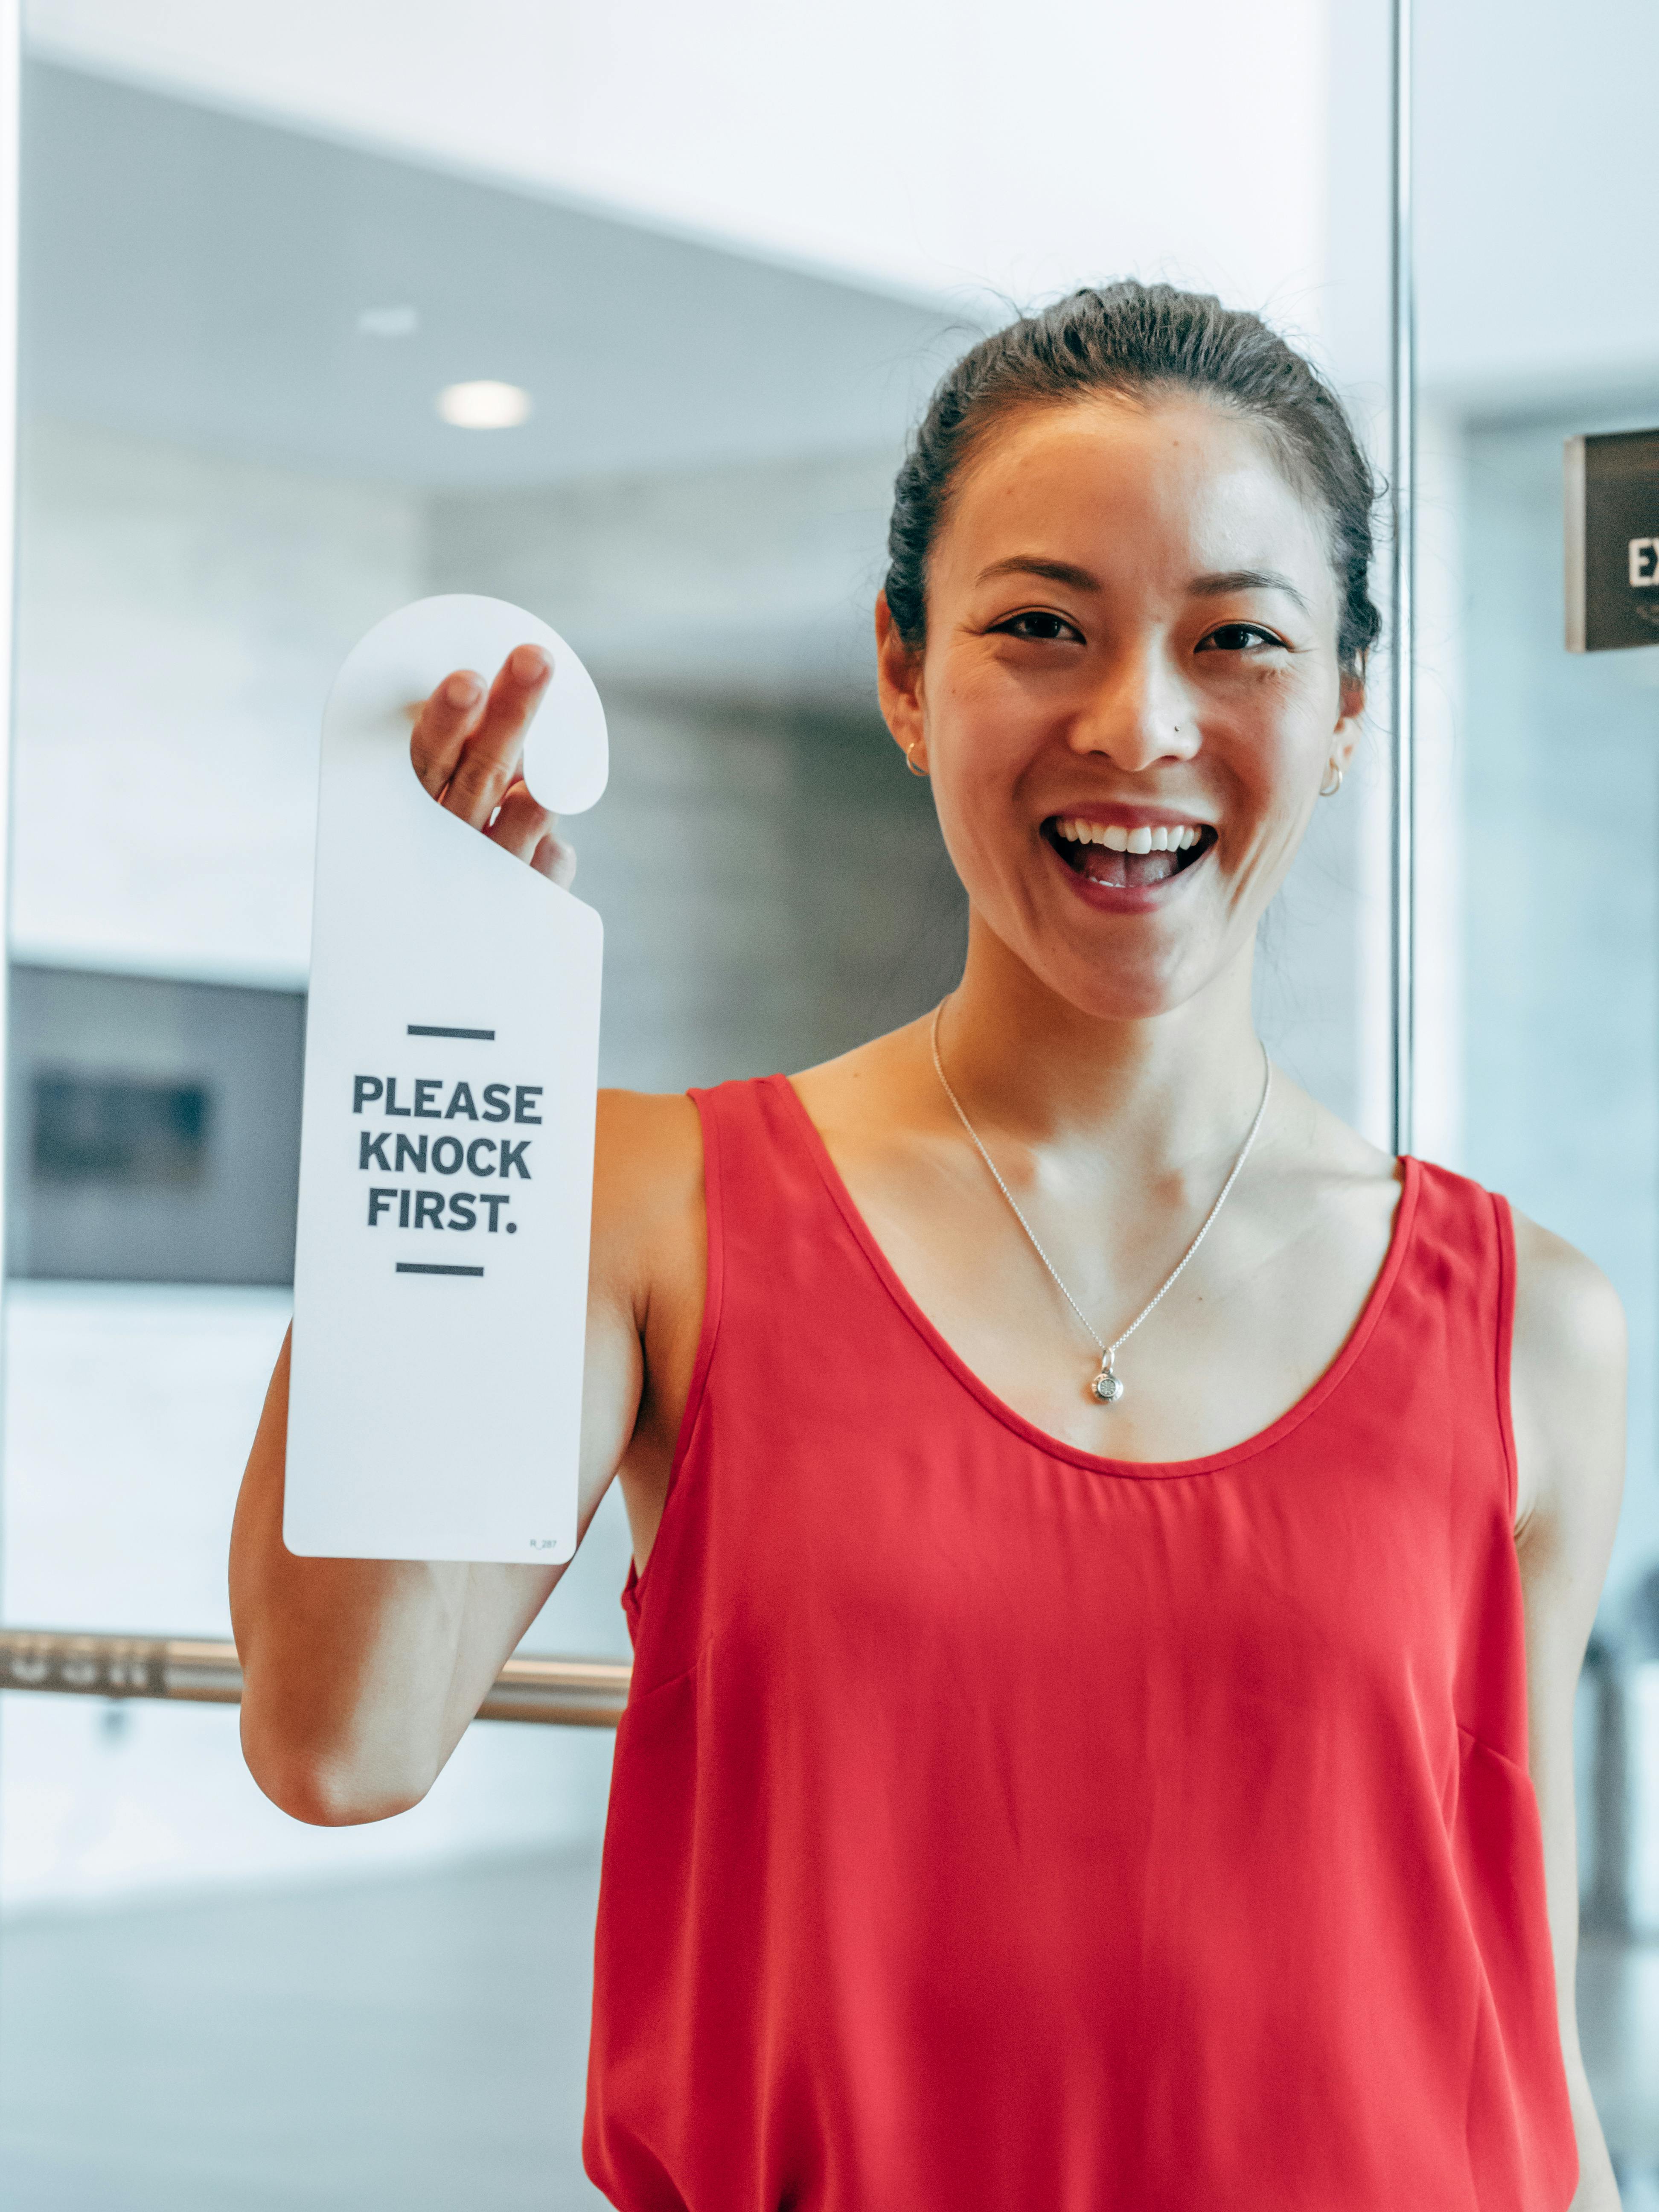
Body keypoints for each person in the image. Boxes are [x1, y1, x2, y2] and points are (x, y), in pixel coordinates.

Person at [231, 282, 1624, 2209]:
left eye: (1240, 641)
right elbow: (341, 1740)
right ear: (905, 672)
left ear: (1345, 715)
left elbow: (1518, 2017)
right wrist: (429, 1046)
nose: (1138, 721)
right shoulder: (649, 1211)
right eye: (1041, 626)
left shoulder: (1533, 1325)